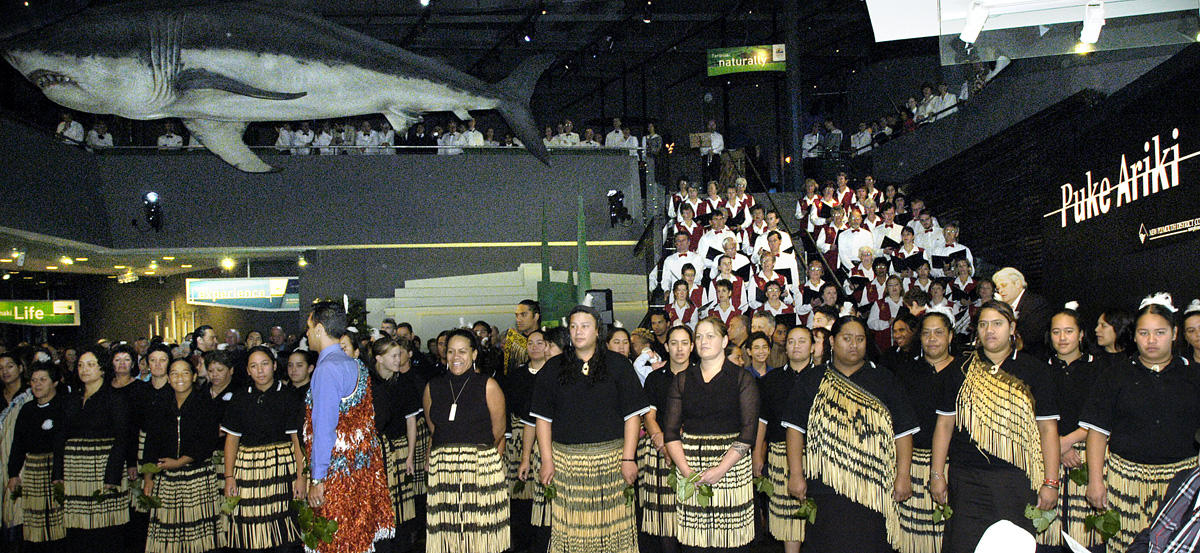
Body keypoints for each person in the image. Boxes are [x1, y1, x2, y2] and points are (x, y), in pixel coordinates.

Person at [929, 300, 1060, 552]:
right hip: (966, 479)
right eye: (983, 324)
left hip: (1016, 481)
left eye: (997, 324)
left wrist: (1051, 482)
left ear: (1012, 328)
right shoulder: (960, 369)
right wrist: (937, 475)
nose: (990, 330)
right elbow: (944, 425)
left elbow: (1047, 430)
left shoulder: (1035, 370)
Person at [783, 316, 918, 553]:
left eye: (860, 339)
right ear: (832, 341)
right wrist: (795, 474)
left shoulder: (884, 379)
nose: (854, 345)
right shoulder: (812, 379)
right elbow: (795, 430)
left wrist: (903, 475)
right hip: (824, 484)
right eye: (847, 338)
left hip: (873, 485)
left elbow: (903, 432)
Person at [1080, 293, 1200, 553]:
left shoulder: (1194, 375)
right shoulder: (1114, 375)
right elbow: (1097, 433)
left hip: (1181, 486)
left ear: (1174, 333)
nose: (1151, 340)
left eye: (1160, 333)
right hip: (1127, 484)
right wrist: (1095, 481)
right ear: (1134, 336)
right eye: (1144, 333)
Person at [530, 306, 649, 553]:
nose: (578, 331)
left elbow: (632, 417)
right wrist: (547, 460)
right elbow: (543, 420)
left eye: (585, 326)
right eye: (573, 326)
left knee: (612, 532)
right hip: (567, 465)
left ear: (597, 331)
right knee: (572, 531)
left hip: (611, 463)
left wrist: (628, 458)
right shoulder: (553, 368)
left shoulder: (618, 365)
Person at [303, 301, 395, 553]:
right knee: (356, 537)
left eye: (309, 327)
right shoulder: (355, 364)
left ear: (319, 329)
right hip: (359, 470)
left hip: (336, 474)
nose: (307, 333)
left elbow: (324, 429)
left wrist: (317, 478)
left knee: (335, 540)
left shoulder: (327, 369)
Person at [661, 317, 759, 551]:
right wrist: (687, 472)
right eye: (699, 337)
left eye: (710, 336)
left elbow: (748, 432)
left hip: (731, 468)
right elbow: (671, 432)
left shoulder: (742, 378)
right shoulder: (683, 379)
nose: (703, 341)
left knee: (731, 543)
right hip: (690, 467)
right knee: (695, 545)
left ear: (724, 341)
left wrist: (721, 469)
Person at [422, 329, 509, 553]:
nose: (456, 357)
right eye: (451, 351)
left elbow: (499, 429)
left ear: (474, 354)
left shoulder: (488, 385)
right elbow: (434, 428)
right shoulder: (433, 387)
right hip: (444, 470)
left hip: (479, 468)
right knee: (449, 532)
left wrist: (475, 457)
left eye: (462, 351)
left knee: (479, 532)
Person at [221, 346, 304, 552]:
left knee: (284, 533)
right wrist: (229, 476)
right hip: (248, 472)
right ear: (247, 371)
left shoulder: (289, 396)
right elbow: (232, 440)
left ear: (274, 366)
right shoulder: (240, 398)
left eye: (264, 364)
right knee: (250, 535)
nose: (260, 370)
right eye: (254, 366)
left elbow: (297, 440)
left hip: (282, 471)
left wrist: (301, 477)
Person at [892, 312, 961, 553]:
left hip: (957, 466)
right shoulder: (906, 372)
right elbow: (899, 422)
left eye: (939, 332)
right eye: (926, 333)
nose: (932, 339)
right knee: (914, 539)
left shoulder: (964, 371)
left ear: (950, 336)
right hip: (914, 464)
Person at [53, 346, 130, 550]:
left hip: (103, 470)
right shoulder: (71, 399)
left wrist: (112, 476)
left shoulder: (115, 398)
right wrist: (58, 472)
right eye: (80, 365)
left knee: (105, 531)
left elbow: (122, 438)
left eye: (90, 365)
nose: (84, 369)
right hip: (76, 474)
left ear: (102, 368)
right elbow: (60, 436)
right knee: (78, 531)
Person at [142, 357, 221, 553]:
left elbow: (207, 440)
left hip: (197, 475)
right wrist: (148, 477)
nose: (179, 378)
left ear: (193, 376)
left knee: (198, 537)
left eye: (185, 373)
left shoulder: (205, 404)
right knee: (168, 538)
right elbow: (151, 442)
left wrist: (180, 462)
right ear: (168, 378)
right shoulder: (160, 404)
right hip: (166, 477)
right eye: (174, 373)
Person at [754, 326, 814, 553]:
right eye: (791, 341)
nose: (796, 346)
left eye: (802, 341)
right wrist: (757, 454)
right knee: (789, 518)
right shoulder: (772, 379)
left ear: (813, 346)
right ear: (785, 347)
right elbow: (762, 420)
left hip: (817, 454)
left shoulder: (824, 377)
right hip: (780, 455)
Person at [1044, 304, 1099, 548]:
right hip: (1046, 453)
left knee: (1084, 535)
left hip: (1087, 454)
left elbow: (1103, 416)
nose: (1062, 338)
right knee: (1048, 534)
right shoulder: (1039, 368)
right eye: (1056, 332)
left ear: (1081, 334)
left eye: (1069, 331)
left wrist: (1068, 441)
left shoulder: (1099, 368)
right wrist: (1057, 445)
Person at [641, 326, 694, 553]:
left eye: (684, 343)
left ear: (692, 347)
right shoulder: (655, 378)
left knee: (693, 514)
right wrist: (661, 441)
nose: (679, 348)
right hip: (660, 450)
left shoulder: (702, 376)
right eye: (674, 343)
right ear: (666, 346)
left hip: (693, 449)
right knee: (666, 517)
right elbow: (649, 417)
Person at [6, 361, 65, 551]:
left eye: (42, 380)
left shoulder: (64, 406)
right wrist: (13, 473)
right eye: (33, 380)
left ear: (54, 382)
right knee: (34, 527)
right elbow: (18, 444)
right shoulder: (27, 409)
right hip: (33, 471)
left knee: (58, 525)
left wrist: (59, 474)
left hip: (58, 472)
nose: (37, 384)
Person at [369, 337, 420, 552]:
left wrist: (410, 455)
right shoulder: (367, 384)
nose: (398, 359)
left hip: (398, 449)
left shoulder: (404, 384)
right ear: (379, 358)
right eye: (393, 356)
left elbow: (411, 421)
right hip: (374, 452)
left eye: (400, 355)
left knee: (399, 506)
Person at [509, 330, 551, 553]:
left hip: (547, 442)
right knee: (521, 495)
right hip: (520, 438)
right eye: (530, 343)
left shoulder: (554, 374)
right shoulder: (516, 375)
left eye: (539, 342)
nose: (535, 347)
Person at [0, 352, 31, 547]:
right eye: (1, 368)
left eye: (9, 366)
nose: (5, 371)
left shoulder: (29, 395)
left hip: (22, 462)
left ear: (20, 368)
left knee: (17, 508)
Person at [992, 267, 1052, 359]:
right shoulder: (1004, 306)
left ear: (1017, 284)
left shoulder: (1036, 304)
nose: (1001, 291)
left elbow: (1029, 338)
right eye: (998, 288)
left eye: (1004, 285)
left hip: (1029, 359)